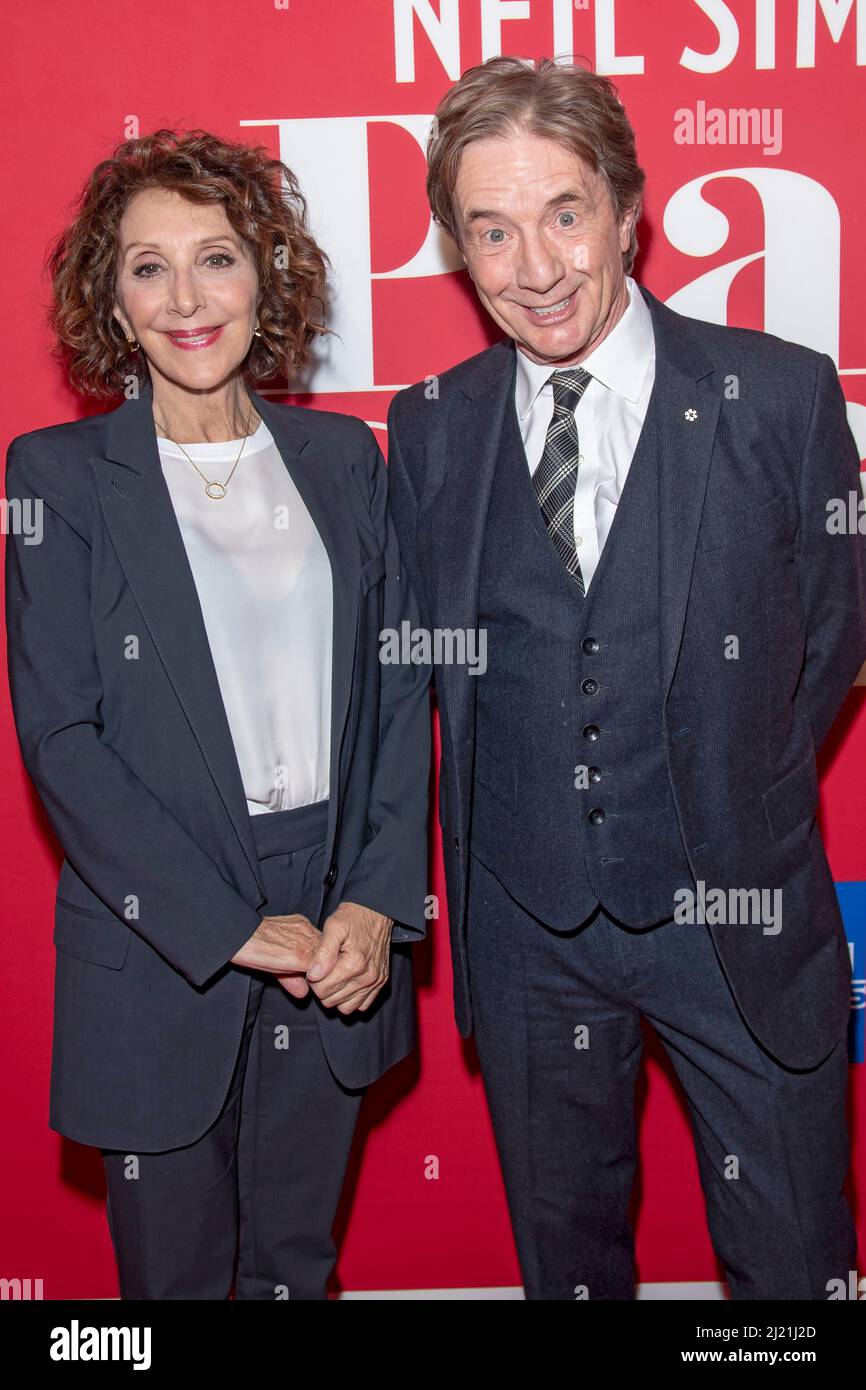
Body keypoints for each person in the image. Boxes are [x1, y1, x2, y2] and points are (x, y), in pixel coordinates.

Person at [385, 56, 866, 1299]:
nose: (534, 268)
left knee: (791, 1273)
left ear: (626, 208)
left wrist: (727, 778)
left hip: (733, 917)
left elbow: (829, 636)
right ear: (455, 245)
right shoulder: (431, 422)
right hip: (525, 926)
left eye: (562, 214)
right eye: (490, 230)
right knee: (566, 1271)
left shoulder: (777, 395)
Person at [4, 128, 431, 1300]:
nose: (188, 298)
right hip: (161, 928)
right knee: (176, 1278)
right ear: (112, 295)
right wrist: (227, 923)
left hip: (331, 903)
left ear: (267, 276)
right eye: (149, 267)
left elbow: (397, 689)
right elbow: (62, 739)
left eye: (218, 258)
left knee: (296, 1263)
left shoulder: (345, 459)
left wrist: (375, 896)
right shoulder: (54, 477)